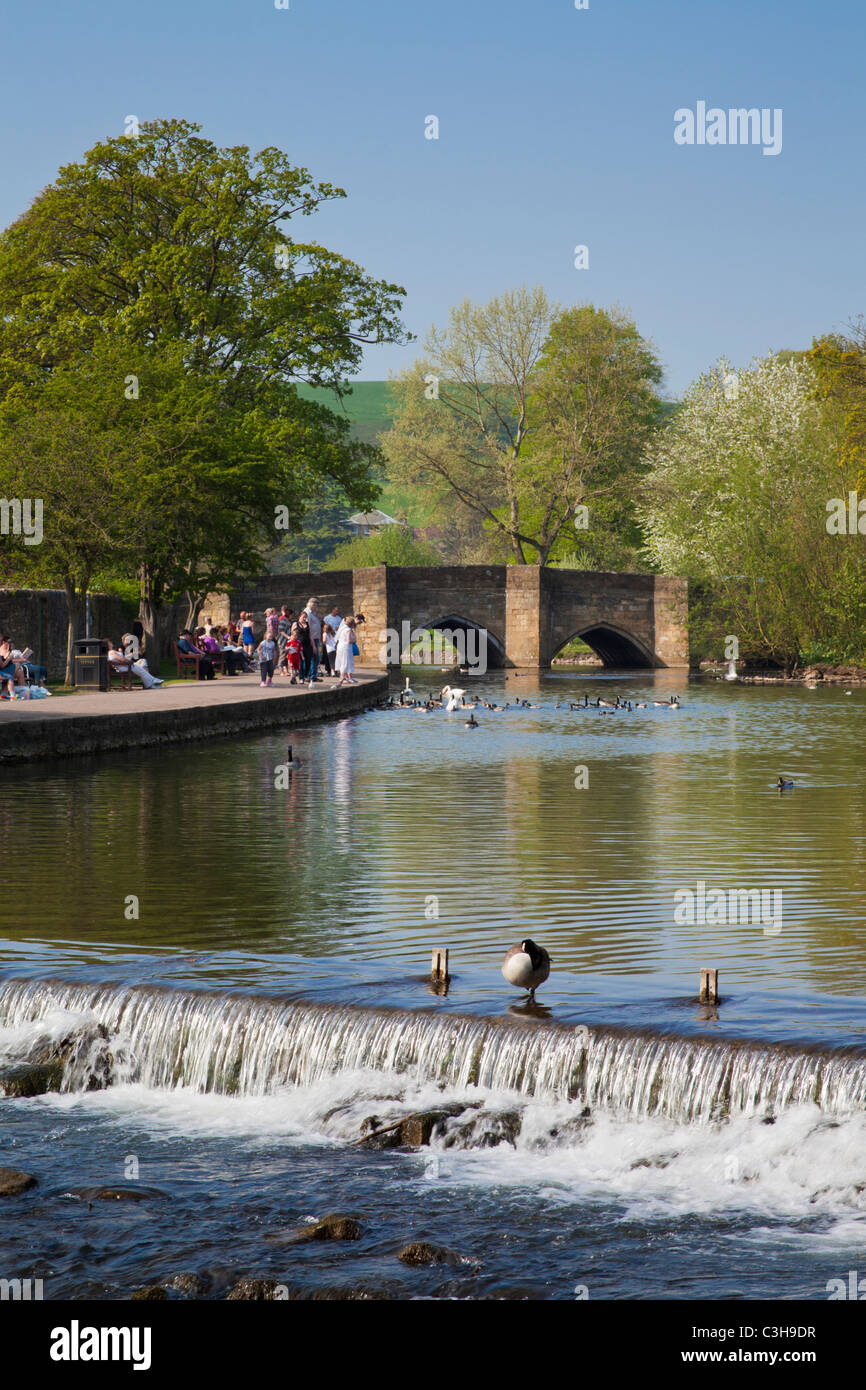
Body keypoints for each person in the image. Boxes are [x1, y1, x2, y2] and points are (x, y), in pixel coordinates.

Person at [334, 617, 358, 686]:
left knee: (342, 662)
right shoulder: (348, 630)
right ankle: (341, 680)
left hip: (340, 646)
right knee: (345, 662)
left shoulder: (343, 628)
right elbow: (348, 640)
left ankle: (344, 679)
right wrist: (354, 640)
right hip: (345, 647)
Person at [303, 598, 322, 681]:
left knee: (315, 657)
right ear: (312, 605)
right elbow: (308, 627)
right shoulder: (307, 613)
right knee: (314, 657)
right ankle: (311, 676)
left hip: (315, 638)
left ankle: (312, 675)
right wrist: (312, 641)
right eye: (316, 606)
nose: (317, 608)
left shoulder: (313, 613)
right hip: (312, 639)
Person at [322, 606, 341, 676]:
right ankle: (328, 670)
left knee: (335, 656)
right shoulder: (326, 618)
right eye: (336, 610)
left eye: (338, 611)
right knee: (328, 657)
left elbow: (341, 627)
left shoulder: (339, 618)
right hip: (328, 638)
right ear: (332, 610)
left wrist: (338, 628)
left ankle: (335, 670)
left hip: (335, 637)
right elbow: (324, 626)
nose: (337, 612)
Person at [297, 610, 313, 682]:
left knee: (308, 661)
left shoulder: (307, 624)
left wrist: (314, 646)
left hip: (308, 645)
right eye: (303, 617)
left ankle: (306, 675)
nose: (304, 619)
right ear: (299, 617)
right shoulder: (296, 624)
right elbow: (292, 634)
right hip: (299, 645)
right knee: (301, 662)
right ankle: (301, 677)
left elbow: (310, 635)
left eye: (305, 618)